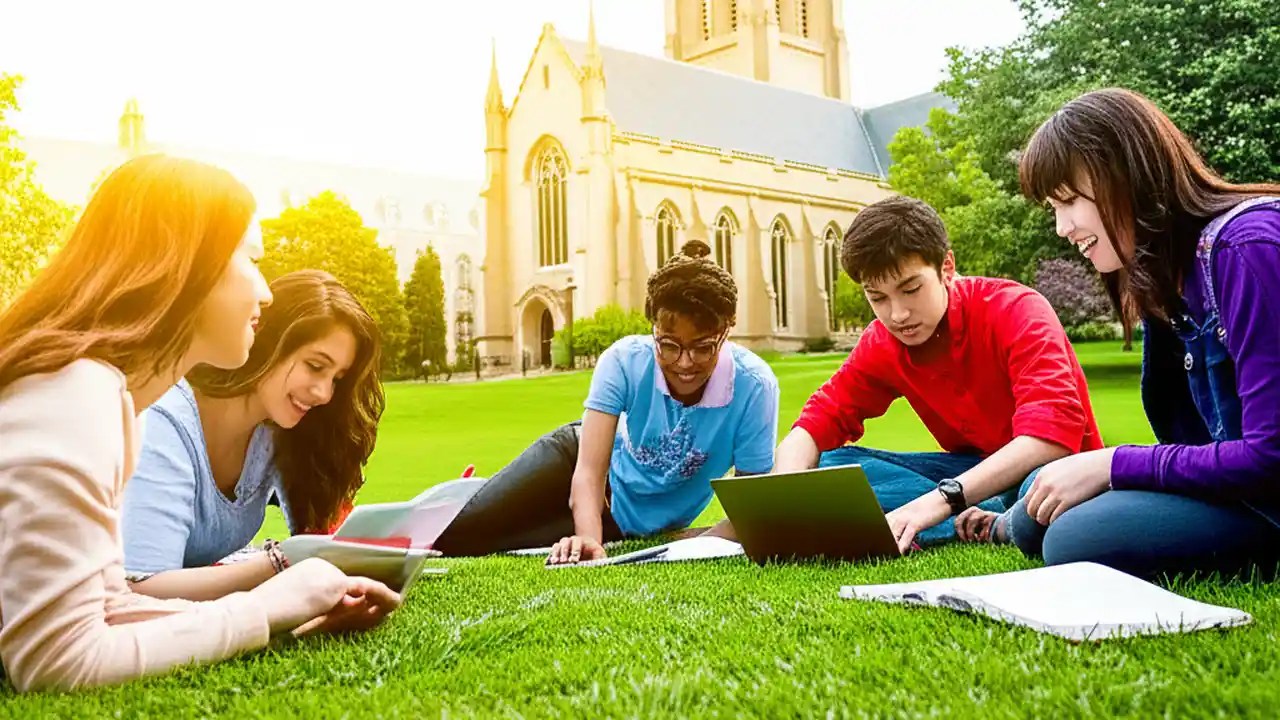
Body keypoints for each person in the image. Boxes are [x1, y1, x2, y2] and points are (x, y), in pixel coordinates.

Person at [0, 154, 398, 693]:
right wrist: (265, 605)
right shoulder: (75, 395)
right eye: (250, 259)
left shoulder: (110, 400)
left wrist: (284, 609)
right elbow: (58, 662)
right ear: (185, 267)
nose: (266, 291)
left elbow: (107, 606)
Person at [956, 88, 1280, 578]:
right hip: (1234, 487)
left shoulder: (1244, 250)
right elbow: (1196, 445)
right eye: (1053, 208)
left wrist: (1112, 465)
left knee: (1072, 536)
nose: (1063, 228)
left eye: (1069, 201)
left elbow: (1270, 454)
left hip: (1268, 496)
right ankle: (1004, 523)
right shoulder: (1164, 278)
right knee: (1033, 510)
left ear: (1127, 177)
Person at [768, 195, 1103, 553]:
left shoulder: (1016, 308)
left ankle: (969, 519)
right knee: (833, 466)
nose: (897, 314)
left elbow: (1050, 438)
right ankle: (976, 518)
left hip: (1053, 471)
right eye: (877, 297)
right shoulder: (883, 342)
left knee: (1037, 488)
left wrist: (937, 502)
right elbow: (821, 418)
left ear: (946, 267)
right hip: (973, 470)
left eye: (911, 289)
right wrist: (782, 498)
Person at [433, 240, 780, 564]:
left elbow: (748, 512)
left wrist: (604, 544)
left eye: (703, 347)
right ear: (653, 329)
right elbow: (588, 472)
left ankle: (482, 493)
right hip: (573, 467)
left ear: (727, 332)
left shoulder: (754, 387)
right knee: (451, 539)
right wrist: (589, 539)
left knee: (494, 547)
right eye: (669, 345)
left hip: (623, 523)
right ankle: (470, 496)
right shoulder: (625, 360)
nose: (684, 362)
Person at [121, 269, 384, 601]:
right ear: (269, 341)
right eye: (316, 367)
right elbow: (139, 589)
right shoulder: (165, 420)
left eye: (337, 378)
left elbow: (322, 536)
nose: (324, 393)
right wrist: (282, 562)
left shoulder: (275, 432)